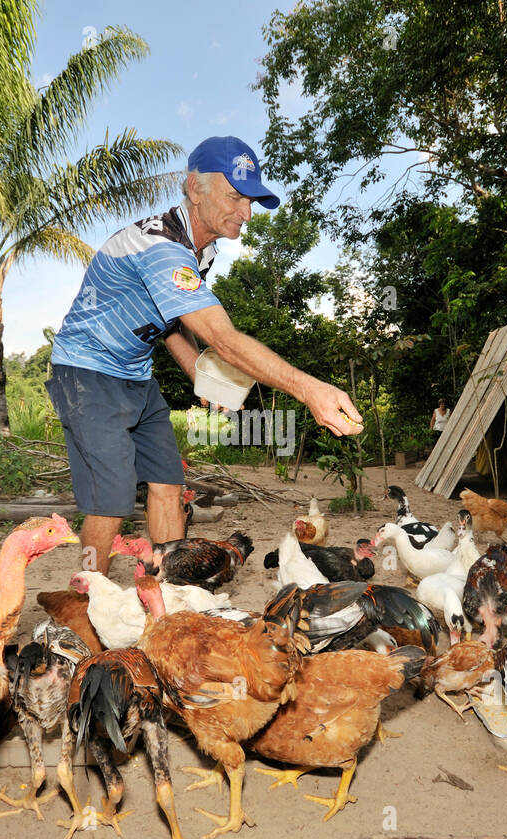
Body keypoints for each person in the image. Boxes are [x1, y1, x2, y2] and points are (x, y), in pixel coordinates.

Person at [47, 135, 363, 574]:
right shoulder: (162, 247)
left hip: (135, 374)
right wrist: (308, 389)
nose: (246, 212)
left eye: (250, 199)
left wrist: (200, 375)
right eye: (235, 196)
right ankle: (85, 597)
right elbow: (224, 338)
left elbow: (171, 322)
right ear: (195, 189)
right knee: (111, 497)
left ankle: (171, 587)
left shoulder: (202, 251)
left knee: (168, 482)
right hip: (86, 371)